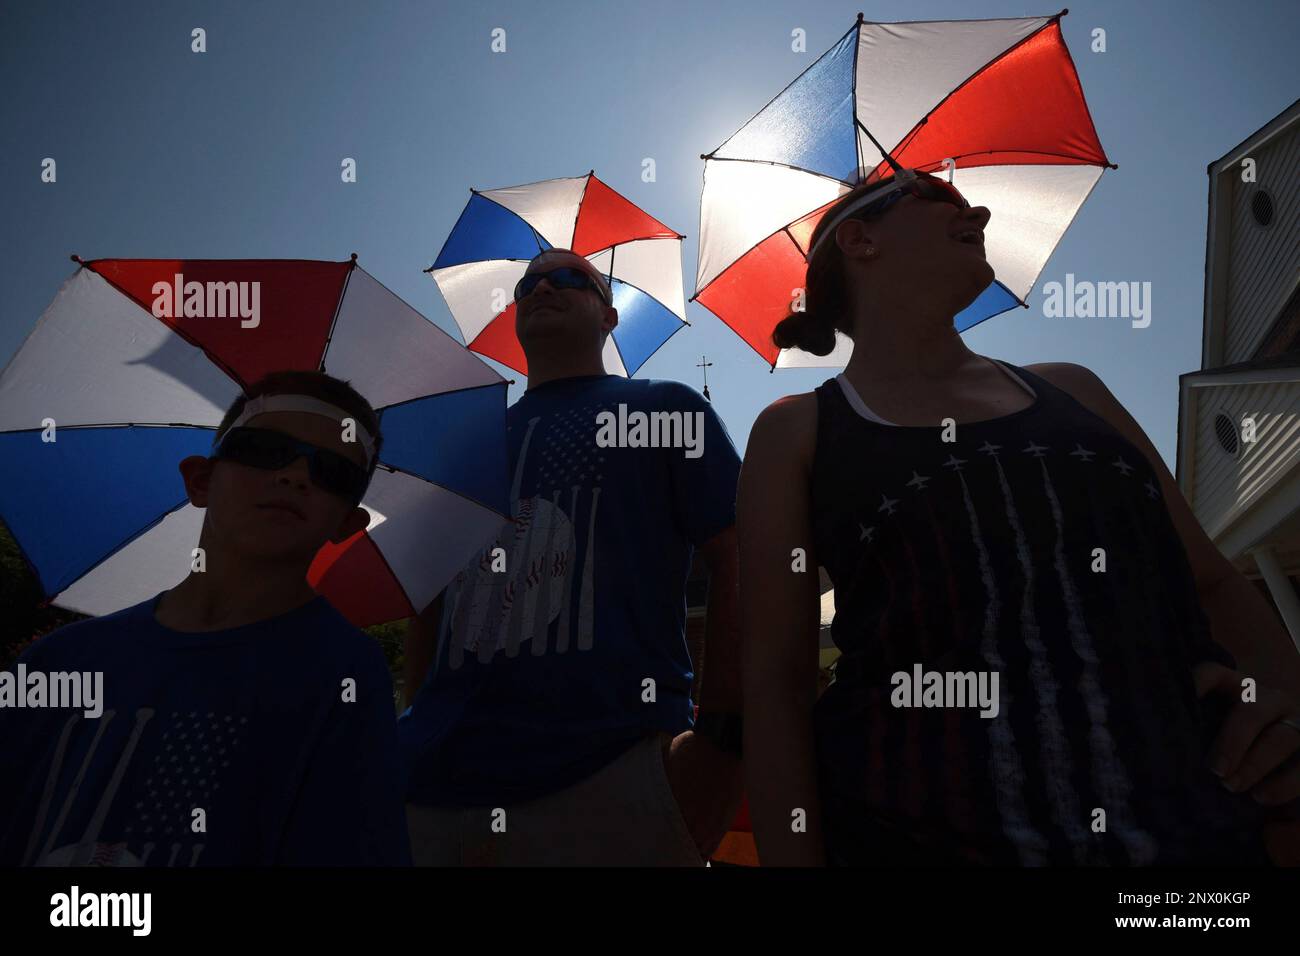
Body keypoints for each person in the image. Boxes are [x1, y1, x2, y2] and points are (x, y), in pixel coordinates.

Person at [738, 168, 1300, 866]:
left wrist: (1282, 700)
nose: (973, 207)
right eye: (932, 195)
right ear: (859, 240)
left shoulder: (1073, 388)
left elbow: (1211, 583)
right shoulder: (798, 431)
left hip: (1193, 840)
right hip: (919, 835)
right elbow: (778, 683)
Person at [400, 248, 743, 866]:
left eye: (569, 280)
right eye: (529, 284)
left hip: (616, 770)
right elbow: (431, 596)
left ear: (610, 317)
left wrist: (721, 743)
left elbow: (745, 561)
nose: (543, 289)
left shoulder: (664, 408)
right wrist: (413, 725)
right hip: (434, 788)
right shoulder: (468, 445)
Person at [0, 370, 411, 866]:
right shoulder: (56, 661)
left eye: (334, 473)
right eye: (264, 449)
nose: (296, 476)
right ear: (201, 479)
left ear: (348, 524)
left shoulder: (345, 673)